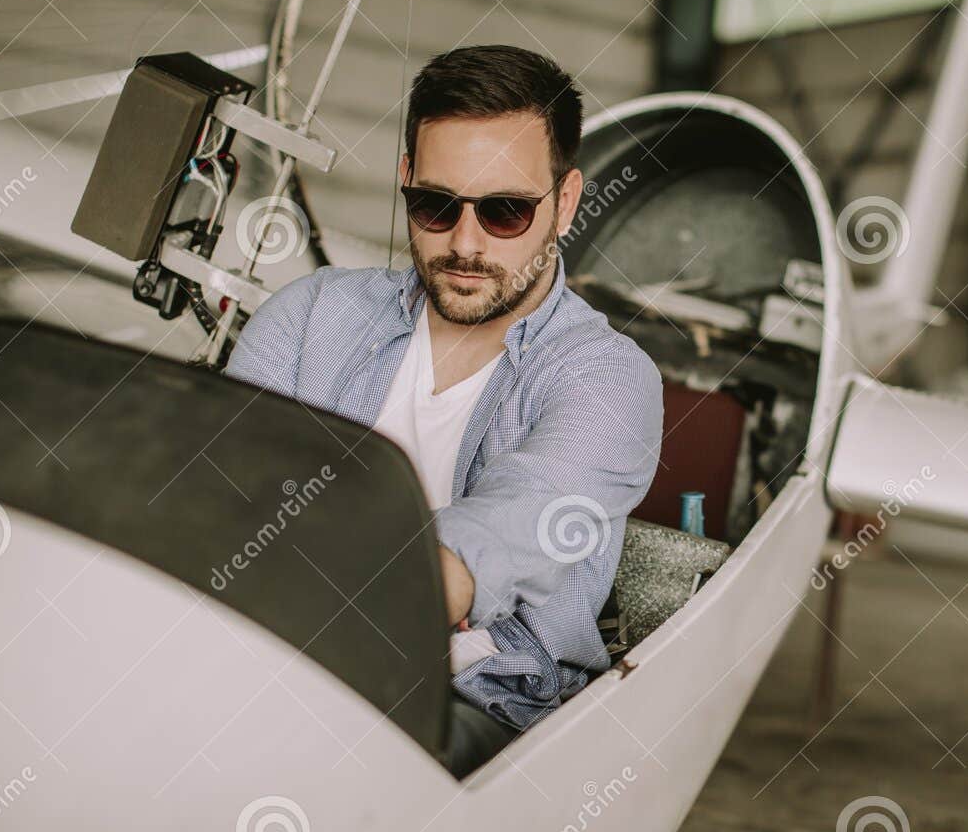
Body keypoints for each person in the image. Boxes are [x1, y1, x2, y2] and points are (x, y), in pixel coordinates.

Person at [225, 44, 663, 776]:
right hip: (266, 654)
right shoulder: (311, 316)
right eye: (435, 204)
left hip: (475, 700)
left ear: (566, 202)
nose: (463, 244)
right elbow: (221, 484)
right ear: (404, 181)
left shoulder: (609, 380)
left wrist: (414, 579)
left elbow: (519, 518)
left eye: (505, 212)